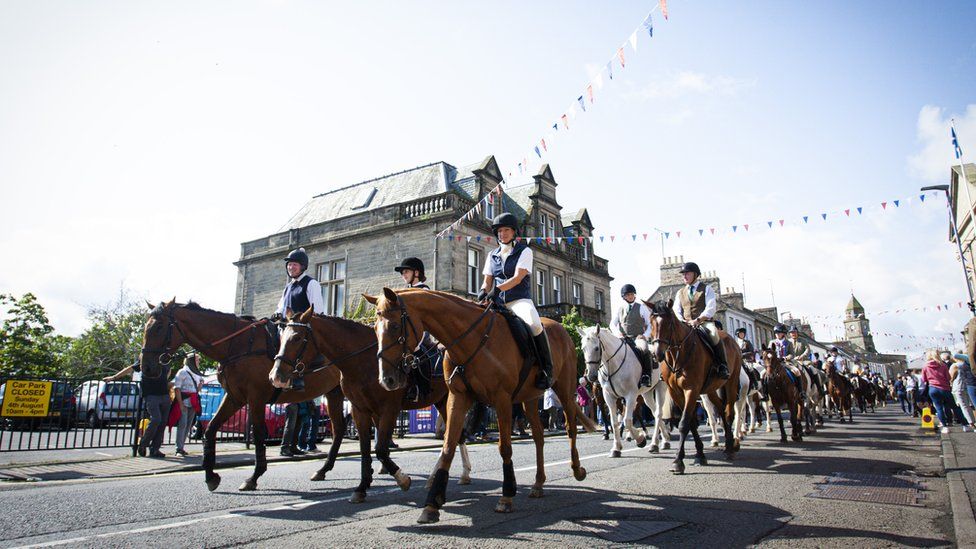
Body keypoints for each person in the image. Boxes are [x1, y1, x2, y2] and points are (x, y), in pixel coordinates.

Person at [478, 212, 552, 389]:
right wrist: (482, 291)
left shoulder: (524, 251)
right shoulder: (492, 255)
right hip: (497, 302)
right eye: (500, 231)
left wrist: (497, 289)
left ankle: (546, 369)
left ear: (514, 232)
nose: (502, 234)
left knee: (535, 324)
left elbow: (518, 278)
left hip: (518, 300)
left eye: (506, 230)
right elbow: (487, 281)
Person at [274, 248, 325, 391]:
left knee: (295, 346)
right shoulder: (288, 287)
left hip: (304, 328)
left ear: (302, 266)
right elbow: (281, 307)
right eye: (289, 264)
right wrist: (276, 314)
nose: (291, 267)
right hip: (289, 327)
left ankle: (298, 378)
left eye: (294, 264)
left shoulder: (311, 283)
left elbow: (317, 310)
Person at [104, 358, 173, 458]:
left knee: (163, 422)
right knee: (156, 419)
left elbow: (168, 371)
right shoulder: (147, 358)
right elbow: (131, 368)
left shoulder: (165, 359)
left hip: (164, 394)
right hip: (151, 394)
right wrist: (114, 377)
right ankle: (143, 444)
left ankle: (155, 449)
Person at [670, 262, 729, 379]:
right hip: (685, 324)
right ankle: (670, 367)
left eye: (687, 273)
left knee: (714, 334)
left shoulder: (706, 289)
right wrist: (682, 320)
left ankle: (722, 365)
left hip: (704, 323)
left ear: (695, 274)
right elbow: (676, 310)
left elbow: (711, 308)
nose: (684, 276)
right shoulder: (680, 292)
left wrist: (698, 319)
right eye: (683, 274)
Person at [394, 257, 438, 401]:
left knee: (416, 351)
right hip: (406, 333)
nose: (403, 275)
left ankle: (421, 388)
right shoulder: (404, 292)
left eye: (406, 271)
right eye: (402, 273)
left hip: (421, 333)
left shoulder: (424, 290)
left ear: (416, 273)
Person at [609, 283, 654, 387]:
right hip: (623, 338)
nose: (630, 296)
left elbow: (650, 324)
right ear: (624, 297)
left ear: (634, 295)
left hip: (638, 337)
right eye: (628, 295)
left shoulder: (642, 307)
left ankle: (646, 376)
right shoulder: (619, 308)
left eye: (632, 294)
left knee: (644, 349)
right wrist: (618, 334)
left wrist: (645, 335)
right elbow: (612, 324)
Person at [173, 353, 204, 457]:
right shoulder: (182, 372)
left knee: (188, 425)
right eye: (197, 360)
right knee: (182, 424)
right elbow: (177, 388)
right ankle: (178, 448)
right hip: (184, 401)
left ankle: (181, 447)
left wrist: (200, 384)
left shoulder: (197, 373)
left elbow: (196, 390)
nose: (198, 362)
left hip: (193, 402)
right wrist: (180, 403)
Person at [922, 349, 954, 433]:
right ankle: (951, 421)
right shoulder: (943, 365)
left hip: (933, 388)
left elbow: (924, 379)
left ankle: (944, 425)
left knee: (939, 408)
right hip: (945, 388)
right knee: (948, 405)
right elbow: (948, 377)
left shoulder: (925, 366)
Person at [950, 354, 975, 432]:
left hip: (959, 387)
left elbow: (951, 377)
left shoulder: (955, 366)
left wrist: (951, 382)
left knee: (964, 406)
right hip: (969, 386)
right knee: (972, 405)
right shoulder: (969, 364)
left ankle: (972, 423)